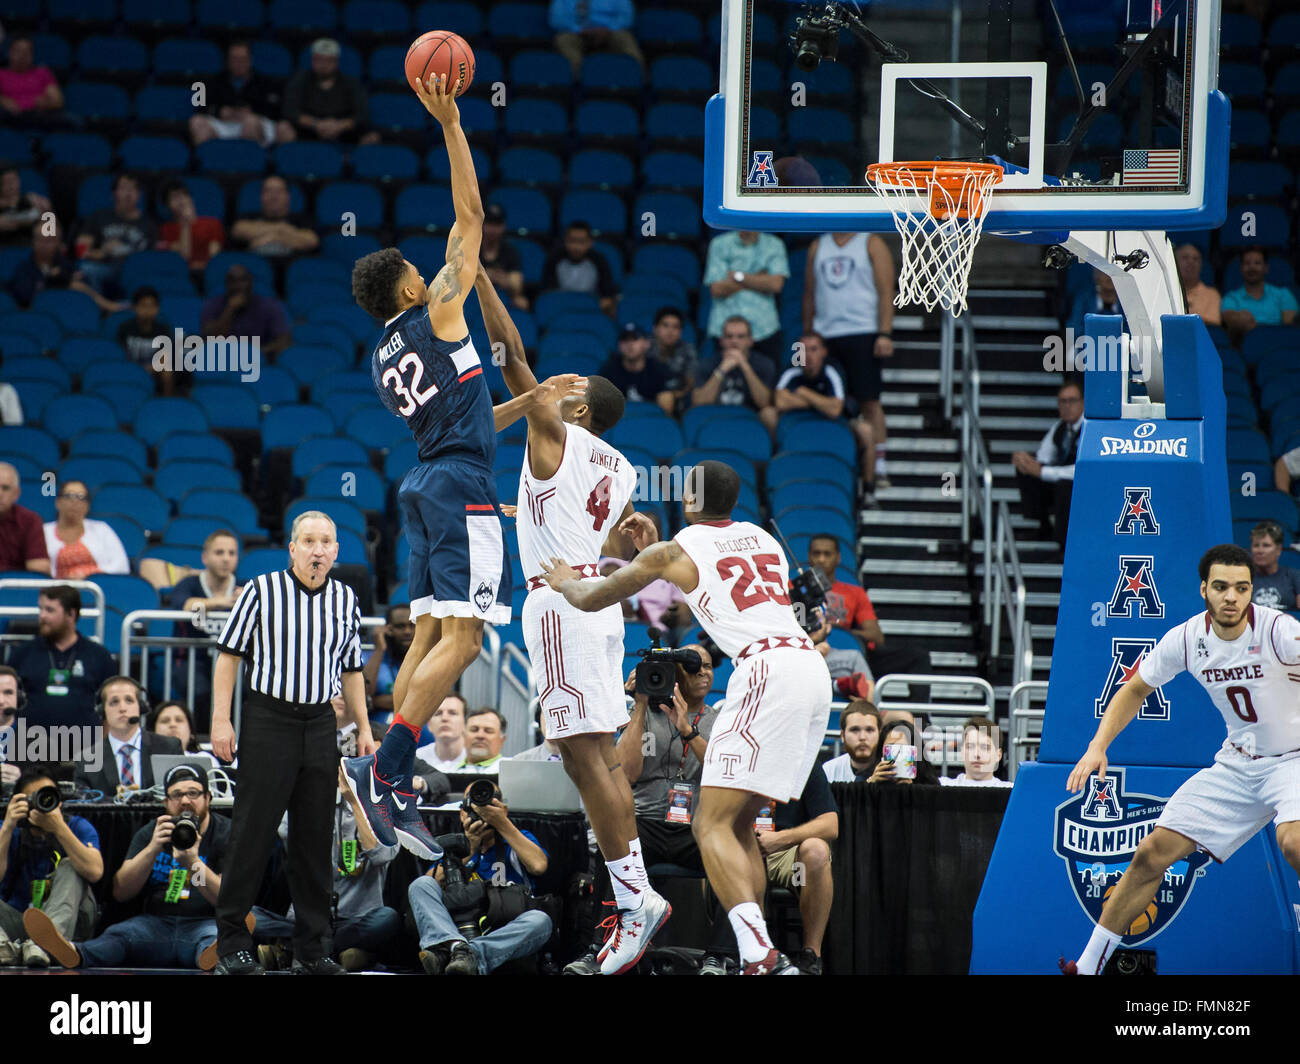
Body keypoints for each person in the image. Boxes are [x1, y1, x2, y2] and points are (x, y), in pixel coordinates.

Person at [543, 459, 833, 976]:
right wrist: (655, 547)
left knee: (710, 823)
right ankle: (755, 956)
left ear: (689, 499)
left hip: (763, 669)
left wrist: (564, 581)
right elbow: (708, 563)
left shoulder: (674, 550)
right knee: (741, 826)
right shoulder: (764, 540)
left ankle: (761, 955)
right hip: (809, 666)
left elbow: (591, 598)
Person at [477, 257, 671, 974]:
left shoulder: (553, 430)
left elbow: (509, 354)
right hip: (598, 598)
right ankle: (634, 892)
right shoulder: (619, 464)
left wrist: (477, 279)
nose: (554, 383)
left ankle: (635, 897)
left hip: (562, 602)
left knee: (586, 760)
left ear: (579, 409)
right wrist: (635, 534)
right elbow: (621, 528)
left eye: (570, 387)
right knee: (588, 758)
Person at [345, 73, 514, 863]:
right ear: (411, 285)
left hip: (424, 482)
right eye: (422, 266)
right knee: (469, 640)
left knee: (429, 635)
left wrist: (526, 399)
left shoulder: (381, 354)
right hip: (460, 484)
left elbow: (465, 416)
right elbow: (471, 218)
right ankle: (390, 766)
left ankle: (384, 762)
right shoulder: (438, 308)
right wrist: (450, 123)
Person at [1063, 543, 1300, 976]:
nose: (1233, 597)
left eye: (1243, 588)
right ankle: (1088, 967)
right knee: (1151, 853)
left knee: (1294, 842)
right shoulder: (1188, 638)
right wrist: (1098, 746)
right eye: (1222, 587)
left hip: (1294, 760)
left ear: (1252, 591)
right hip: (1239, 764)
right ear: (1204, 590)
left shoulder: (1279, 631)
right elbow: (1134, 689)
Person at [209, 511, 373, 975]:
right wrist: (221, 720)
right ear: (293, 548)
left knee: (313, 839)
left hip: (319, 722)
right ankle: (232, 947)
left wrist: (363, 727)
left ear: (336, 551)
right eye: (309, 541)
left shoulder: (346, 598)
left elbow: (352, 670)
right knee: (252, 835)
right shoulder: (261, 590)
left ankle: (312, 949)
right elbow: (228, 657)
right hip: (268, 719)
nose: (318, 550)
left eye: (326, 541)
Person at [566, 647, 719, 975]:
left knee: (730, 850)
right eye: (694, 668)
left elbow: (720, 772)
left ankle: (719, 955)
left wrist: (688, 732)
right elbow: (627, 773)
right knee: (612, 847)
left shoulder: (718, 720)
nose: (704, 673)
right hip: (646, 824)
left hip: (695, 827)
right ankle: (599, 947)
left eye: (708, 666)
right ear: (675, 674)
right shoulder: (645, 714)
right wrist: (638, 705)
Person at [23, 764, 231, 970]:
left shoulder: (224, 833)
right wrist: (152, 849)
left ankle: (214, 955)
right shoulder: (153, 831)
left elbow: (226, 900)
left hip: (203, 923)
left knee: (213, 938)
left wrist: (192, 862)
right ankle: (74, 952)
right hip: (156, 924)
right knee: (118, 936)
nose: (185, 801)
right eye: (176, 795)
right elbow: (121, 892)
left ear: (208, 798)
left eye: (193, 793)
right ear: (166, 802)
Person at [252, 764, 402, 972]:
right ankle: (340, 954)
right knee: (249, 915)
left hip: (357, 919)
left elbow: (381, 854)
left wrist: (355, 803)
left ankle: (295, 950)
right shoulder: (311, 803)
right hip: (307, 919)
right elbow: (283, 832)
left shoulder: (384, 808)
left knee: (387, 919)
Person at [703, 760, 838, 975]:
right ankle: (726, 954)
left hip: (788, 855)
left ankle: (811, 954)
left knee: (817, 850)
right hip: (743, 847)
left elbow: (831, 824)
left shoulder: (805, 763)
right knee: (717, 843)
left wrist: (782, 838)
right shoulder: (740, 759)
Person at [409, 782, 552, 975]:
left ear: (503, 810)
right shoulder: (455, 844)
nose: (482, 814)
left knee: (540, 920)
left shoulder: (517, 838)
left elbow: (538, 866)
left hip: (504, 927)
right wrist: (469, 849)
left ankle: (463, 954)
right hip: (456, 926)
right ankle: (456, 947)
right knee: (420, 884)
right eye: (472, 809)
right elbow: (428, 888)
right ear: (461, 814)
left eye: (489, 808)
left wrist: (502, 824)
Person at [804, 232, 896, 487]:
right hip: (826, 334)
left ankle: (879, 467)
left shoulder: (870, 242)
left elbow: (886, 289)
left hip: (863, 331)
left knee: (869, 402)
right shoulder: (817, 245)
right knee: (832, 403)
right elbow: (810, 292)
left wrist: (885, 333)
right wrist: (808, 332)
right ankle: (842, 460)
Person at [0, 767, 102, 968]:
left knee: (70, 866)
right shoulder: (8, 828)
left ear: (59, 801)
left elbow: (95, 872)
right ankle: (5, 949)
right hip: (18, 919)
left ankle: (44, 945)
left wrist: (59, 828)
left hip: (68, 922)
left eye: (47, 796)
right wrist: (8, 826)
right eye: (33, 798)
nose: (42, 804)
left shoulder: (77, 826)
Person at [806, 533, 927, 697]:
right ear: (808, 556)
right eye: (816, 553)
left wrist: (841, 631)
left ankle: (920, 718)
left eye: (827, 554)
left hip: (854, 653)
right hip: (811, 649)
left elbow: (876, 636)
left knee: (917, 656)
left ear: (838, 558)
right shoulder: (794, 589)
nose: (821, 559)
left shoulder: (854, 592)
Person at [764, 331, 878, 499]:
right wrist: (820, 402)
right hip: (795, 421)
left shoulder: (832, 370)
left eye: (813, 349)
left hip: (838, 422)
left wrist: (804, 393)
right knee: (767, 414)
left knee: (866, 431)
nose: (808, 355)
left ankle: (868, 489)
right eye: (803, 350)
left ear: (824, 351)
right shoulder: (792, 370)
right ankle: (774, 470)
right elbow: (780, 402)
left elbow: (834, 410)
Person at [9, 586, 114, 730]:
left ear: (71, 614)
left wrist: (104, 747)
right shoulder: (22, 653)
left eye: (50, 610)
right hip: (29, 747)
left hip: (85, 749)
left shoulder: (99, 656)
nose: (42, 616)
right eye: (41, 609)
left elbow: (111, 706)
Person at [76, 676, 183, 794]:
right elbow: (84, 802)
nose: (122, 708)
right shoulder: (87, 759)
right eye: (114, 702)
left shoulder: (168, 748)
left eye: (129, 700)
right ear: (102, 711)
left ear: (141, 707)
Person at [1011, 379, 1084, 552]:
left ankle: (1063, 545)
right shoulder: (1060, 427)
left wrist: (1043, 471)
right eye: (1062, 401)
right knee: (1026, 472)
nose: (1066, 406)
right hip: (1060, 477)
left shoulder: (1091, 429)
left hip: (1083, 486)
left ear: (1083, 403)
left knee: (1064, 486)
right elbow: (1043, 456)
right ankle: (1042, 524)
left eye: (1071, 401)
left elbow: (1081, 470)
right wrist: (1025, 462)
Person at [703, 230, 789, 362]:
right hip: (725, 331)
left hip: (765, 329)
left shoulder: (774, 244)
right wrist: (759, 278)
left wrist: (738, 277)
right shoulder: (719, 244)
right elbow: (717, 289)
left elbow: (776, 284)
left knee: (766, 380)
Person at [189, 40, 291, 148]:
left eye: (242, 59)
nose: (238, 63)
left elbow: (276, 110)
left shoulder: (265, 83)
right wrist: (220, 111)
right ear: (227, 61)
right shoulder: (213, 81)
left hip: (255, 124)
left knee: (250, 122)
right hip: (224, 124)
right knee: (196, 122)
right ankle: (207, 162)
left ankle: (249, 162)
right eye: (234, 59)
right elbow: (200, 108)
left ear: (250, 60)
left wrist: (252, 111)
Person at [7, 217, 123, 312]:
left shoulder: (68, 266)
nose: (44, 244)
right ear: (33, 241)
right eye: (40, 239)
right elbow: (24, 295)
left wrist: (59, 280)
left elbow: (84, 287)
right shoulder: (23, 268)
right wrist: (60, 281)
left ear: (59, 243)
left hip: (68, 311)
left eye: (49, 240)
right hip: (36, 316)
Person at [282, 38, 377, 145]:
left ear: (336, 61)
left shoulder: (351, 83)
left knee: (372, 137)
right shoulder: (300, 80)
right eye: (319, 60)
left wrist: (339, 126)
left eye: (328, 60)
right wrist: (317, 124)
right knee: (283, 129)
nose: (324, 65)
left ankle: (351, 161)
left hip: (344, 132)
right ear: (313, 60)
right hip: (308, 130)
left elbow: (362, 115)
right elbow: (290, 111)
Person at [74, 173, 156, 294]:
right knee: (85, 269)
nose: (128, 194)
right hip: (106, 267)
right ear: (114, 193)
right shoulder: (98, 217)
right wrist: (102, 253)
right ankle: (98, 309)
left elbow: (152, 258)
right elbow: (81, 251)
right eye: (123, 188)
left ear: (139, 195)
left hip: (134, 270)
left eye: (133, 189)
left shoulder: (149, 225)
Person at [42, 480, 130, 579]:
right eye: (69, 496)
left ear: (87, 506)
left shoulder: (102, 529)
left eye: (81, 497)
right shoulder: (43, 532)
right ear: (58, 502)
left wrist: (88, 576)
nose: (74, 502)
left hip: (99, 587)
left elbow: (121, 566)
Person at [200, 263, 292, 357]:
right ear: (226, 284)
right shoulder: (212, 305)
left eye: (243, 280)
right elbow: (210, 339)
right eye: (232, 280)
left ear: (251, 283)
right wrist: (230, 309)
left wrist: (253, 353)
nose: (237, 286)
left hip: (258, 361)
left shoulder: (270, 306)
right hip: (221, 360)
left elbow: (284, 342)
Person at [690, 315, 777, 413]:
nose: (734, 341)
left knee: (769, 413)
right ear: (721, 341)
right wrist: (722, 369)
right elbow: (699, 403)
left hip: (750, 416)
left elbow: (765, 403)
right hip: (714, 415)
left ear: (750, 341)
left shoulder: (764, 364)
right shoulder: (707, 363)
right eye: (729, 336)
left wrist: (745, 367)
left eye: (741, 337)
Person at [230, 175, 319, 261]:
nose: (274, 196)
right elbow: (237, 230)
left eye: (279, 191)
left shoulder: (302, 219)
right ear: (261, 196)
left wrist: (270, 238)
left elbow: (312, 240)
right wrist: (283, 230)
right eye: (268, 191)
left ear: (288, 196)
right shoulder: (249, 217)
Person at [540, 220, 619, 316]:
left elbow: (607, 295)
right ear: (565, 240)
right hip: (561, 311)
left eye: (581, 242)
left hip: (591, 312)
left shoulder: (599, 261)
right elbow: (548, 294)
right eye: (572, 241)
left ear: (590, 242)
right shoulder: (554, 259)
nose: (576, 247)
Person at [549, 0, 645, 78]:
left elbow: (626, 17)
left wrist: (609, 29)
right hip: (576, 33)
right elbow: (556, 19)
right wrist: (579, 30)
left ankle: (639, 78)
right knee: (563, 40)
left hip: (610, 32)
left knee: (625, 39)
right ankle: (579, 80)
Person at [1221, 246, 1298, 336]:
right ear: (1241, 269)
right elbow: (1230, 321)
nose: (1252, 267)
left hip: (1279, 345)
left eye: (1257, 263)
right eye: (1247, 263)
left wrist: (1253, 326)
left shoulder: (1284, 295)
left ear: (1266, 268)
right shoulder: (1231, 297)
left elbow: (1290, 328)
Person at [599, 322, 674, 414]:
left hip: (650, 419)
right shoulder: (610, 368)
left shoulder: (657, 368)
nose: (630, 344)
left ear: (646, 344)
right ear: (619, 345)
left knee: (667, 398)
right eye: (625, 340)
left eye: (635, 339)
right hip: (620, 422)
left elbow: (667, 402)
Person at [116, 285, 179, 390]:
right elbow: (120, 355)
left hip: (154, 370)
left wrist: (151, 368)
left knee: (167, 371)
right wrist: (137, 369)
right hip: (130, 369)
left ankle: (167, 401)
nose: (147, 310)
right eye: (143, 306)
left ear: (157, 309)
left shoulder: (163, 330)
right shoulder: (125, 328)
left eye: (151, 306)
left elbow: (164, 357)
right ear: (135, 308)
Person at [157, 179, 225, 271]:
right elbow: (183, 257)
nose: (180, 199)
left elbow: (214, 256)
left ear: (191, 198)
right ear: (168, 206)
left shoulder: (212, 223)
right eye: (174, 197)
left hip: (207, 272)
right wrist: (185, 224)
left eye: (184, 194)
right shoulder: (166, 229)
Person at [361, 603, 414, 720]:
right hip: (376, 732)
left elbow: (425, 699)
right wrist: (379, 649)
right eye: (400, 626)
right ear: (388, 629)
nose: (407, 631)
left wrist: (374, 701)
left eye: (412, 626)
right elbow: (361, 697)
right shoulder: (370, 658)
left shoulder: (426, 659)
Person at [0, 461, 50, 573]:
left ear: (16, 493)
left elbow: (39, 567)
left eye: (6, 488)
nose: (0, 493)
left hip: (15, 588)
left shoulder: (30, 520)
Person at [0, 34, 62, 119]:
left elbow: (57, 100)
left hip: (38, 119)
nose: (22, 55)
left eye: (26, 52)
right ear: (9, 52)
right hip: (9, 119)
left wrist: (44, 103)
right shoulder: (1, 74)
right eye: (18, 51)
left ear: (32, 55)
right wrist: (3, 101)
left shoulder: (42, 73)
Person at [939, 716, 1011, 787]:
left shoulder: (1012, 791)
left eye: (985, 748)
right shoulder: (941, 786)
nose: (977, 754)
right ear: (962, 752)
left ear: (998, 755)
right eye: (970, 747)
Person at [480, 203, 527, 310]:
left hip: (502, 299)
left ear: (503, 226)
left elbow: (517, 286)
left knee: (521, 302)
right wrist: (501, 278)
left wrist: (488, 277)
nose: (492, 229)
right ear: (482, 224)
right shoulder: (473, 249)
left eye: (497, 225)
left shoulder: (510, 252)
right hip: (475, 298)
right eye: (489, 224)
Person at [650, 306, 697, 414]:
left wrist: (673, 396)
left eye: (676, 327)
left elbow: (691, 383)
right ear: (655, 328)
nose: (670, 331)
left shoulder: (687, 350)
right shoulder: (645, 347)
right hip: (647, 398)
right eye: (665, 325)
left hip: (678, 400)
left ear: (681, 331)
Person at [822, 700, 882, 783]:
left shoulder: (893, 771)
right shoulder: (829, 771)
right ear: (842, 735)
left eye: (869, 730)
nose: (862, 737)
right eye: (855, 730)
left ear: (880, 734)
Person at [866, 718, 939, 786]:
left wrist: (911, 790)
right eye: (891, 747)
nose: (897, 754)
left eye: (902, 748)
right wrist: (872, 785)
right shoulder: (868, 778)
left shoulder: (930, 787)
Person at [1248, 519, 1300, 611]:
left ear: (1279, 550)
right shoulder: (1246, 578)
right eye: (1256, 545)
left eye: (1266, 545)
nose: (1260, 551)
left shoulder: (1294, 576)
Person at [0, 164, 51, 247]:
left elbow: (50, 229)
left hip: (30, 247)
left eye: (13, 180)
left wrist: (47, 211)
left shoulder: (31, 200)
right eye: (6, 182)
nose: (11, 186)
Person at [415, 694, 468, 771]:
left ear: (465, 723)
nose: (444, 718)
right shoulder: (417, 758)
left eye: (452, 713)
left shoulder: (479, 759)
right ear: (429, 724)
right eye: (438, 713)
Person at [1173, 242, 1221, 326]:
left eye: (1196, 259)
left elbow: (1213, 324)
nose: (1191, 262)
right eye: (1185, 258)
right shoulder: (1166, 291)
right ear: (1174, 262)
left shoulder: (1212, 295)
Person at [456, 707, 508, 772]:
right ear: (463, 736)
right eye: (474, 730)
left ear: (502, 740)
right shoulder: (446, 771)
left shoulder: (511, 770)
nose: (480, 735)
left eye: (488, 731)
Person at [0, 666, 25, 785]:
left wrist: (23, 779)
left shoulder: (43, 746)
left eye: (8, 692)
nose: (1, 700)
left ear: (19, 698)